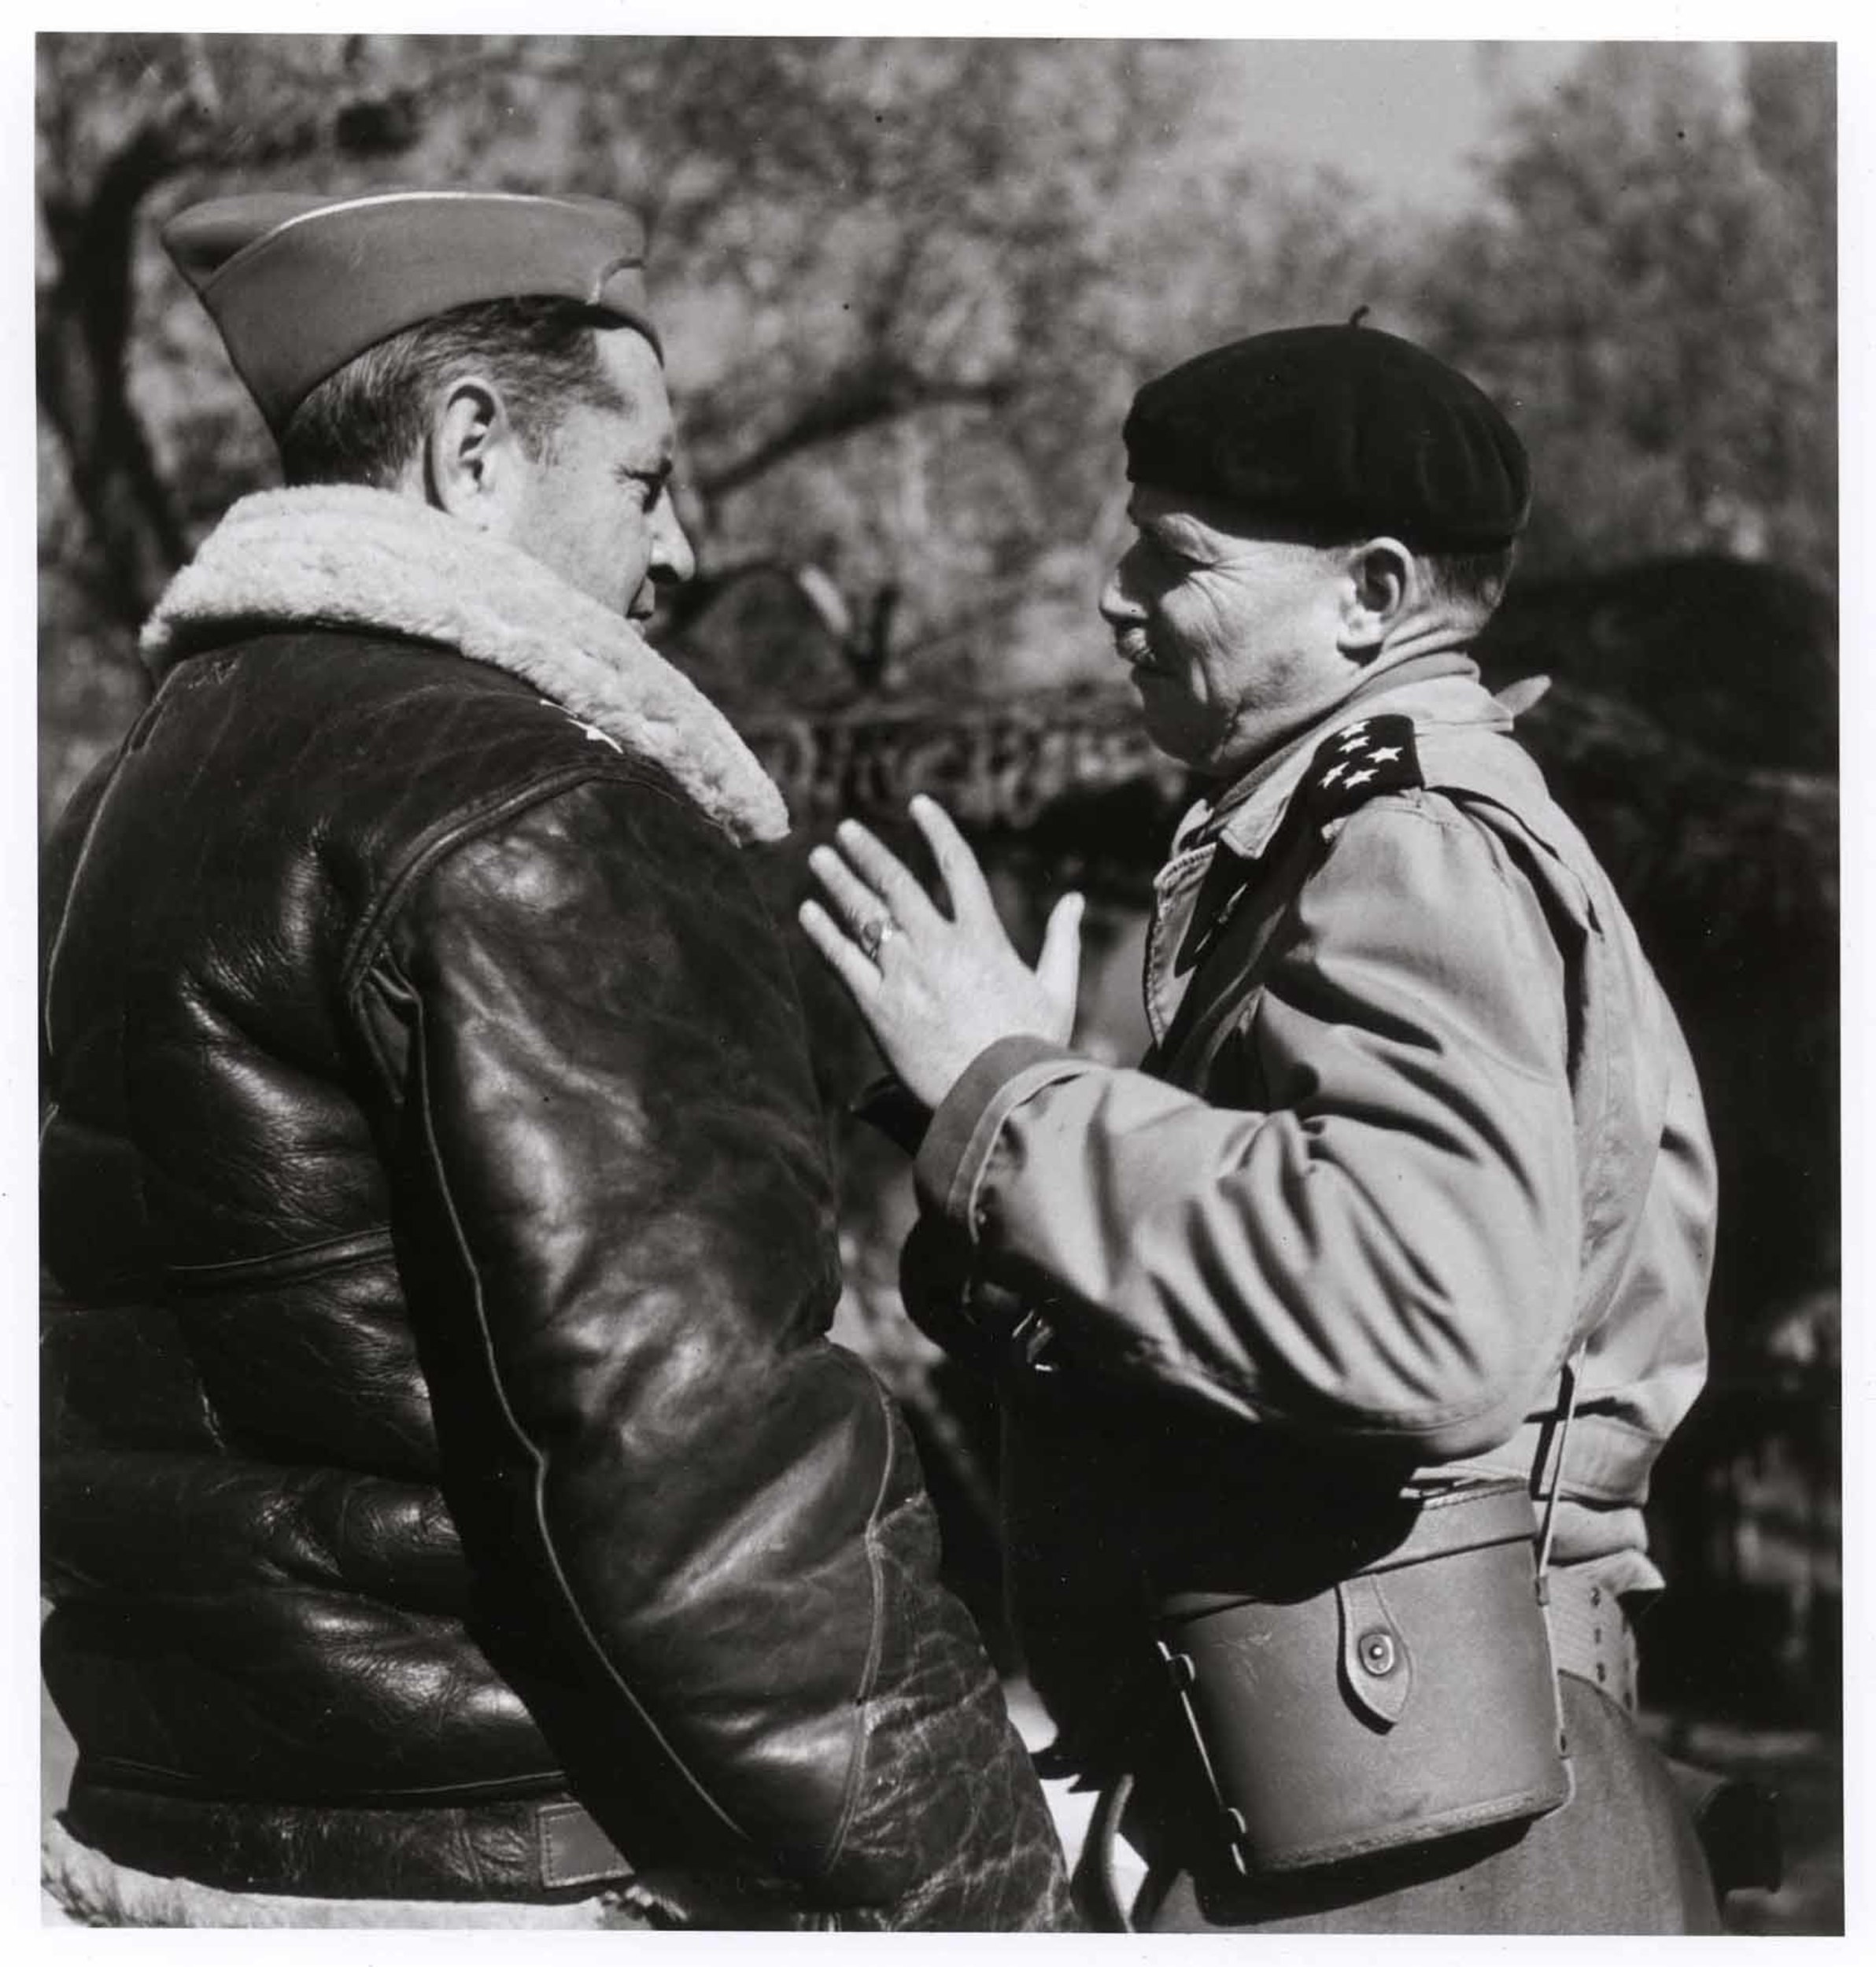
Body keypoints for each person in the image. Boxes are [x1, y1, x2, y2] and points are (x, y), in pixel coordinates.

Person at [39, 187, 1073, 1932]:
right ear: (469, 452)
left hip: (169, 1840)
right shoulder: (536, 805)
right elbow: (712, 1459)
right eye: (645, 478)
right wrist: (985, 1881)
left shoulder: (123, 803)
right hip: (505, 1862)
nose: (675, 552)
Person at [800, 320, 1723, 1932]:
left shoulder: (1407, 845)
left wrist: (1015, 1100)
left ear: (1369, 595)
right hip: (1379, 1783)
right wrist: (980, 1143)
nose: (1113, 595)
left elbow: (1421, 1317)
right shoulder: (1353, 832)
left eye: (1177, 559)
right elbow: (1262, 1324)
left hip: (1420, 1821)